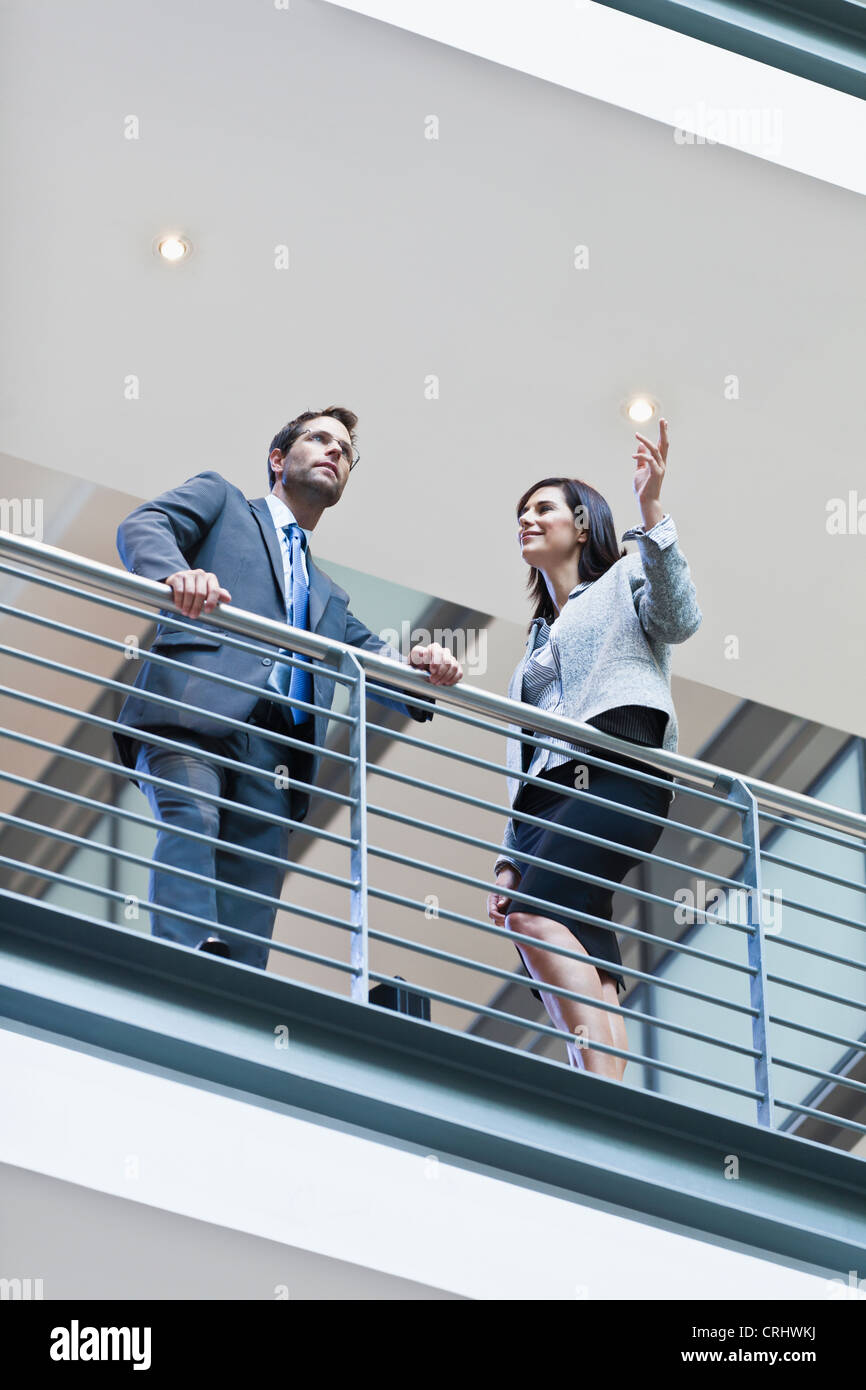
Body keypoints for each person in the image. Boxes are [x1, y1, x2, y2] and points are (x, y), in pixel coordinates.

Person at [114, 405, 462, 968]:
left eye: (345, 452)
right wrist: (177, 574)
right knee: (193, 818)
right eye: (320, 439)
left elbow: (374, 659)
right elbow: (143, 526)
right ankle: (182, 963)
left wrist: (423, 667)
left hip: (279, 750)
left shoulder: (329, 595)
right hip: (193, 709)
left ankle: (238, 1000)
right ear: (278, 459)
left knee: (254, 884)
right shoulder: (222, 501)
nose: (335, 453)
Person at [486, 418, 700, 1080]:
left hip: (615, 775)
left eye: (543, 508)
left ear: (582, 526)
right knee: (583, 949)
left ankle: (598, 1092)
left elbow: (680, 619)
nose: (527, 518)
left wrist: (652, 509)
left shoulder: (622, 581)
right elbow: (525, 757)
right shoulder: (534, 641)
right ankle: (608, 1094)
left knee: (532, 918)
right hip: (550, 803)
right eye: (522, 511)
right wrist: (509, 853)